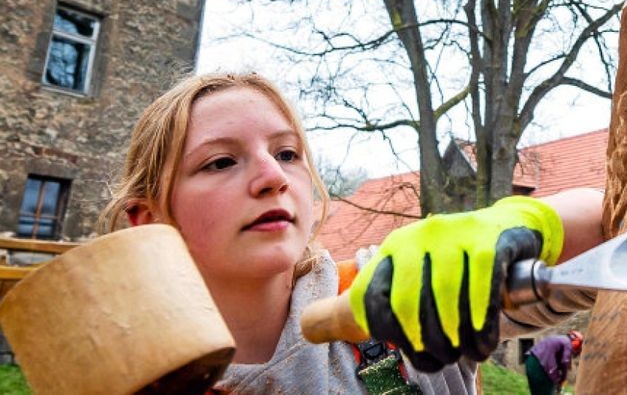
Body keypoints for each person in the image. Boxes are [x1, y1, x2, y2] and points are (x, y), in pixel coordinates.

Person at [100, 72, 601, 393]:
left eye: (287, 153)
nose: (273, 175)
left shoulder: (391, 300)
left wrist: (515, 224)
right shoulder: (134, 382)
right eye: (222, 161)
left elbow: (611, 225)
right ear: (150, 221)